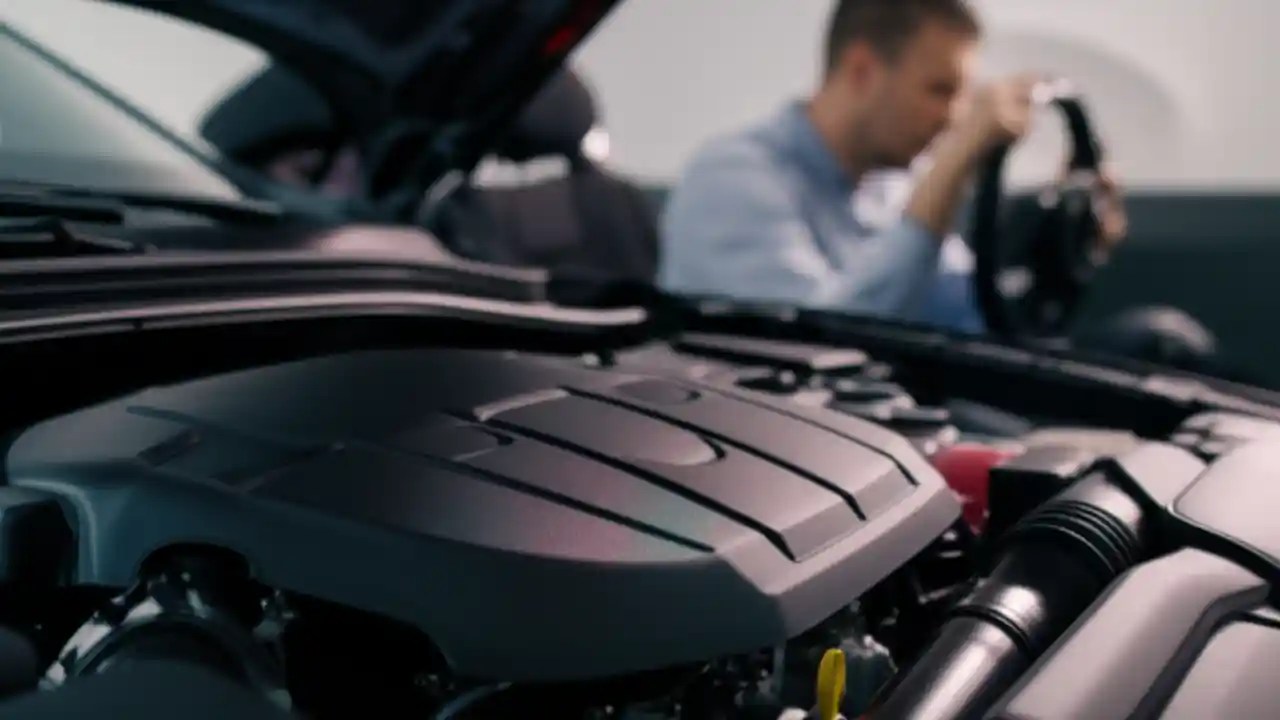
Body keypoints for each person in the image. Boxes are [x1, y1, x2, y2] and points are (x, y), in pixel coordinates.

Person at [657, 0, 1125, 333]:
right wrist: (951, 168)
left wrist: (1055, 238)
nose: (956, 117)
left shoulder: (894, 188)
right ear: (862, 70)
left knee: (1156, 341)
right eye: (939, 90)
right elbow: (825, 343)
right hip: (787, 448)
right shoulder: (732, 180)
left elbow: (971, 321)